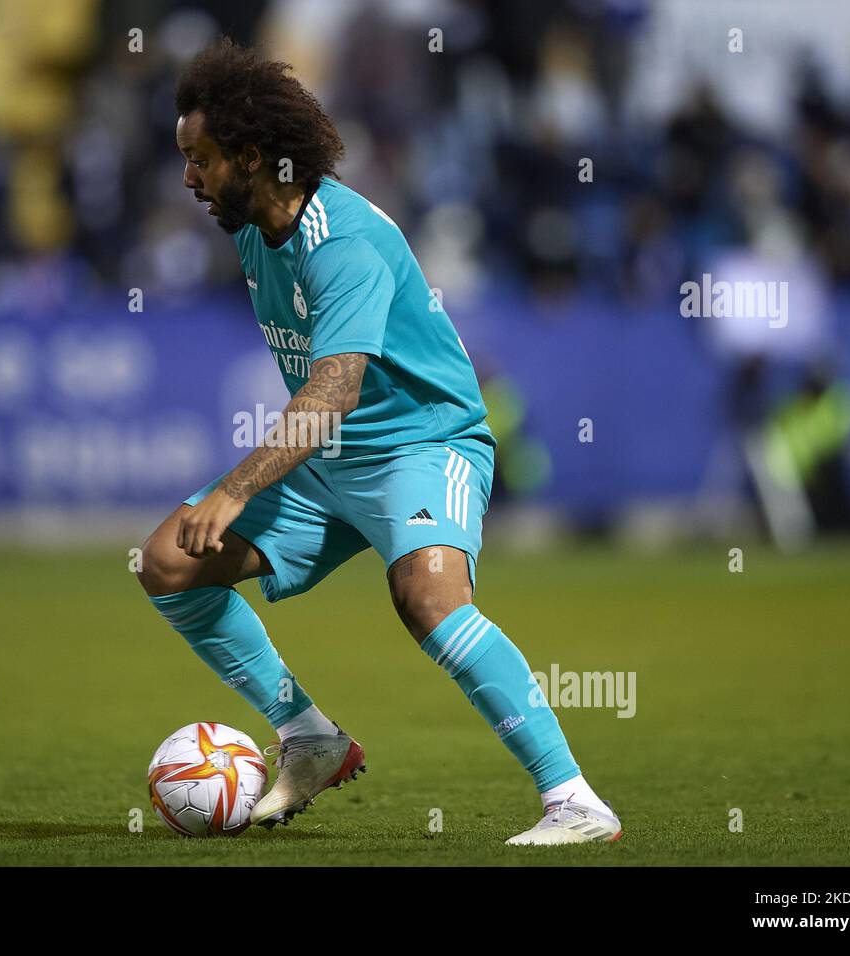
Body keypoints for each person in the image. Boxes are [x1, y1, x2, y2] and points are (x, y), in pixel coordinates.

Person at [136, 38, 621, 844]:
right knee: (169, 564)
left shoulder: (344, 242)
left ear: (253, 156)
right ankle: (309, 737)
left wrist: (236, 487)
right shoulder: (251, 223)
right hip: (333, 462)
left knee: (428, 600)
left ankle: (573, 799)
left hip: (425, 445)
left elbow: (334, 390)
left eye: (201, 159)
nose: (188, 178)